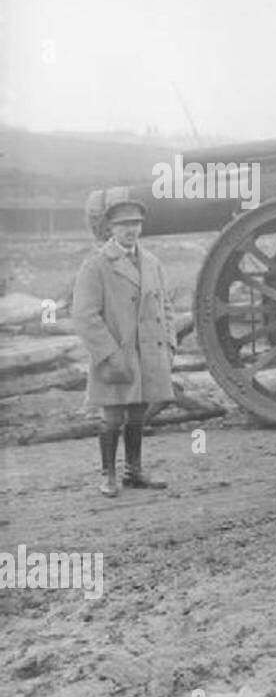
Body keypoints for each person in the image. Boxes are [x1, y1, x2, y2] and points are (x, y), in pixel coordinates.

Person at [73, 191, 176, 497]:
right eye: (123, 225)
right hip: (117, 354)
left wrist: (169, 344)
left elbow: (166, 307)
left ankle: (134, 471)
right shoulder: (97, 264)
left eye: (136, 224)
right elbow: (84, 316)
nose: (131, 230)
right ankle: (108, 475)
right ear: (110, 229)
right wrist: (109, 353)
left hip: (148, 354)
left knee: (138, 415)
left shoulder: (153, 262)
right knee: (112, 417)